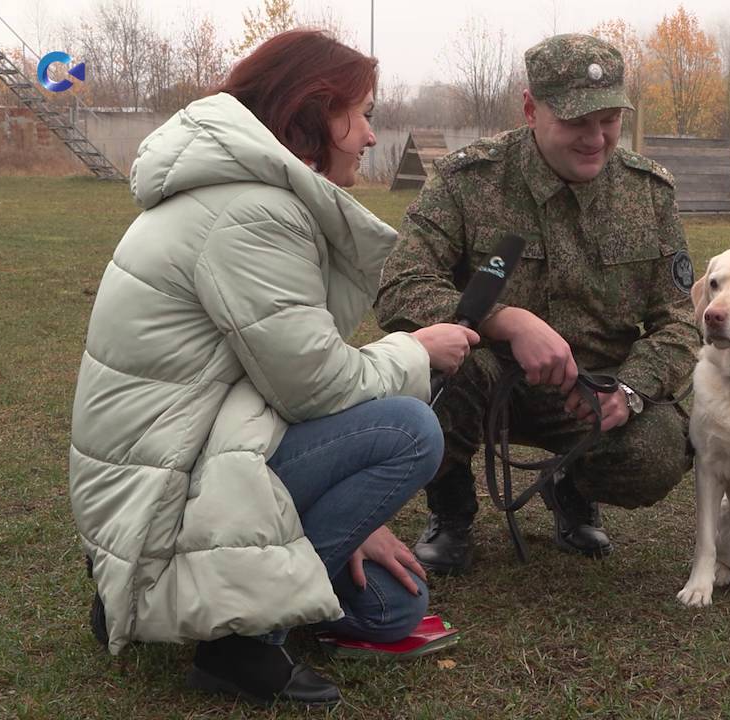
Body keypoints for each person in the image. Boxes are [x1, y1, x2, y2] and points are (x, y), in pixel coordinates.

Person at [68, 30, 477, 707]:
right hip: (169, 490)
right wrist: (417, 351)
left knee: (391, 611)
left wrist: (356, 512)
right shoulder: (252, 211)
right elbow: (313, 384)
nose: (371, 135)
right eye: (362, 112)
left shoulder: (237, 193)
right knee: (409, 427)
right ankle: (235, 643)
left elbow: (273, 376)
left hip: (199, 458)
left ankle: (140, 594)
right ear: (316, 112)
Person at [375, 34, 697, 575]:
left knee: (659, 449)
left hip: (589, 390)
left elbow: (679, 320)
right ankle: (451, 511)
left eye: (609, 119)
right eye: (576, 121)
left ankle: (570, 487)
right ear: (531, 108)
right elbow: (399, 284)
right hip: (484, 378)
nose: (596, 138)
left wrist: (630, 390)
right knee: (434, 374)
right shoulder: (469, 180)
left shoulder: (649, 193)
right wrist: (505, 321)